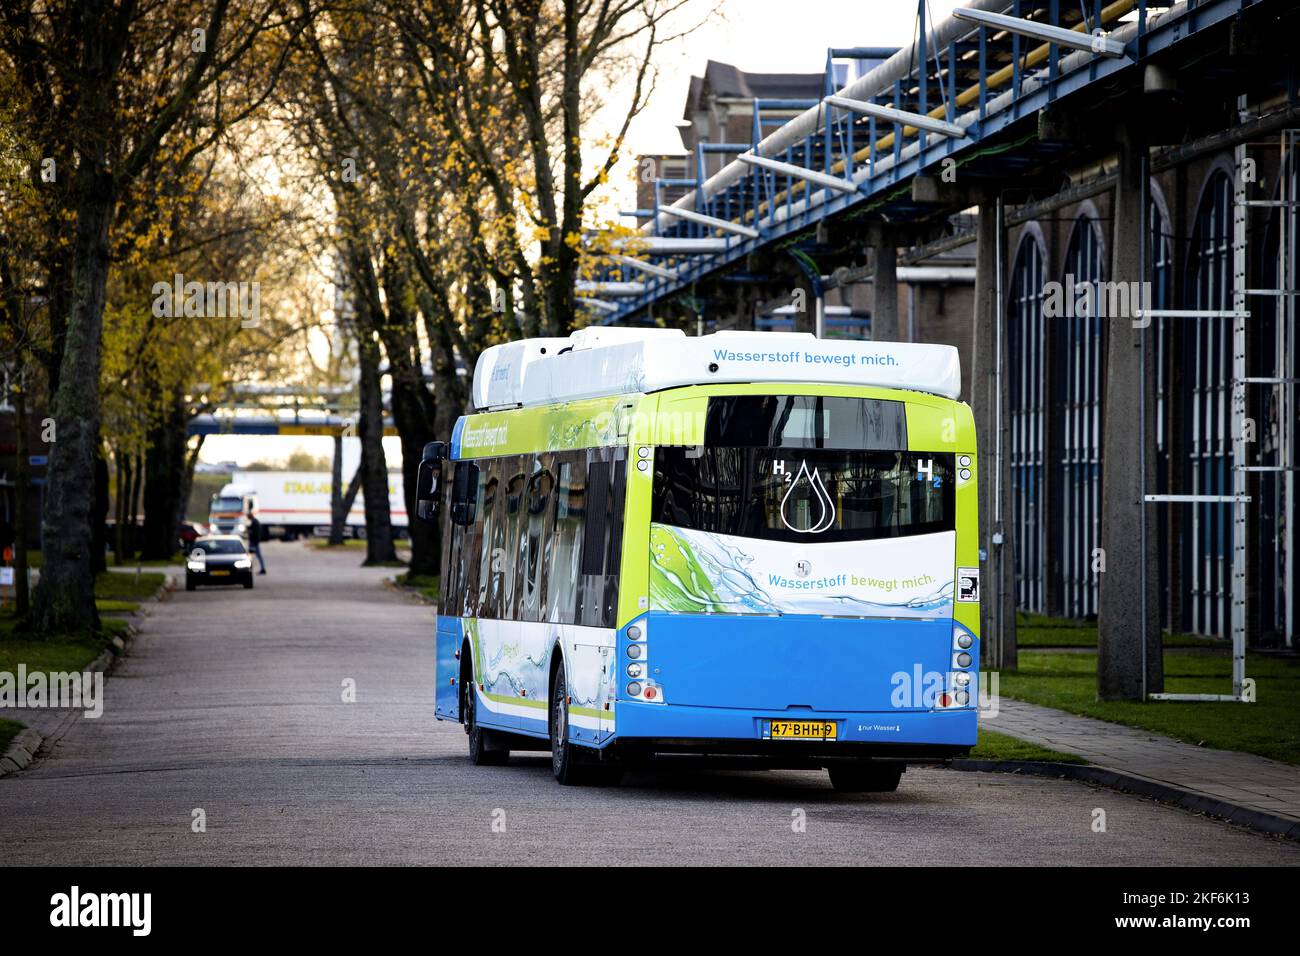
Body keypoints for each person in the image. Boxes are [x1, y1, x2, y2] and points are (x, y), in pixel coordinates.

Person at [246, 509, 266, 574]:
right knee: (257, 556)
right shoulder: (254, 521)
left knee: (251, 556)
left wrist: (249, 531)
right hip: (254, 542)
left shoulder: (254, 522)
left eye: (248, 516)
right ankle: (262, 568)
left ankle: (262, 569)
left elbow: (255, 532)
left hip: (254, 542)